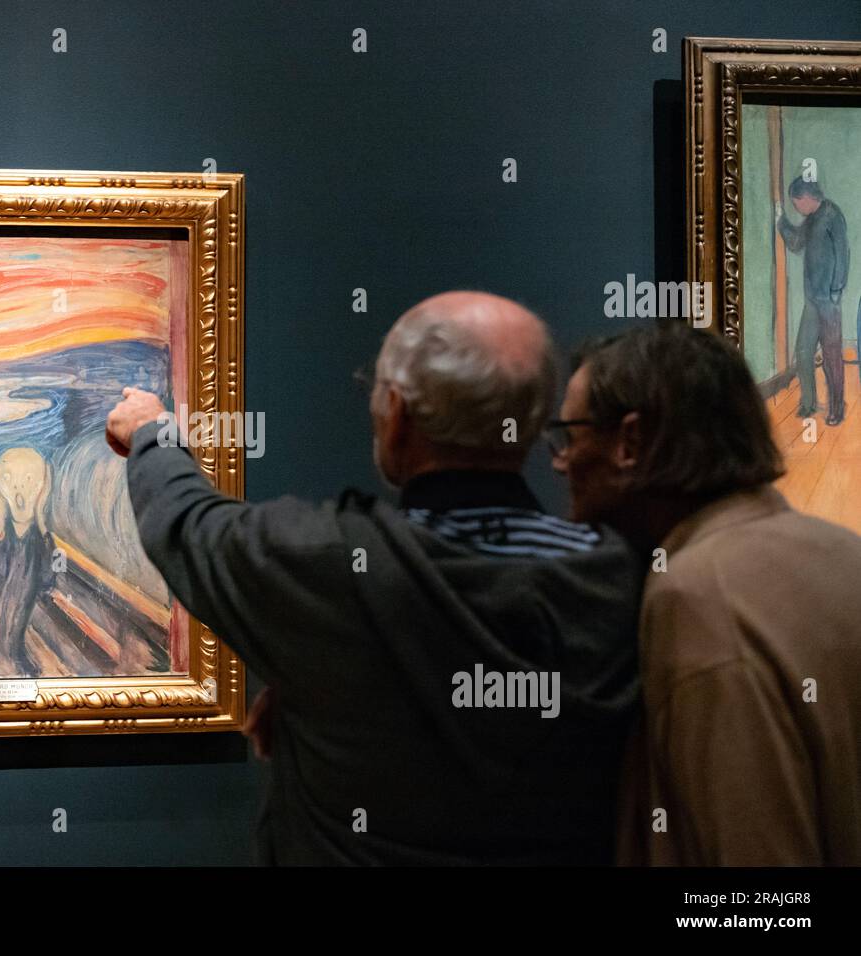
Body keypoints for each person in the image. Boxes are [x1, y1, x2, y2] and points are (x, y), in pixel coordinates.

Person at [105, 291, 642, 865]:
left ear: (398, 411)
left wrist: (153, 432)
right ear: (535, 421)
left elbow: (188, 525)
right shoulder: (613, 576)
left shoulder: (324, 561)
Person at [553, 320, 861, 865]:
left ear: (628, 442)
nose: (560, 460)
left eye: (569, 435)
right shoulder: (841, 551)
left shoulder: (697, 594)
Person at [0, 448, 55, 678]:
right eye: (8, 479)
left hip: (16, 644)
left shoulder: (39, 537)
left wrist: (42, 520)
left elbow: (47, 582)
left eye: (30, 480)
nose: (20, 491)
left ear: (42, 487)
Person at [777, 176, 849, 425]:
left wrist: (836, 290)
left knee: (831, 357)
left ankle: (837, 408)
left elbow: (843, 252)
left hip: (828, 301)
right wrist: (782, 222)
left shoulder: (832, 214)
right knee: (804, 350)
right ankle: (808, 404)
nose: (796, 207)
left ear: (807, 197)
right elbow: (795, 243)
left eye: (796, 202)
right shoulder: (809, 221)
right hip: (811, 302)